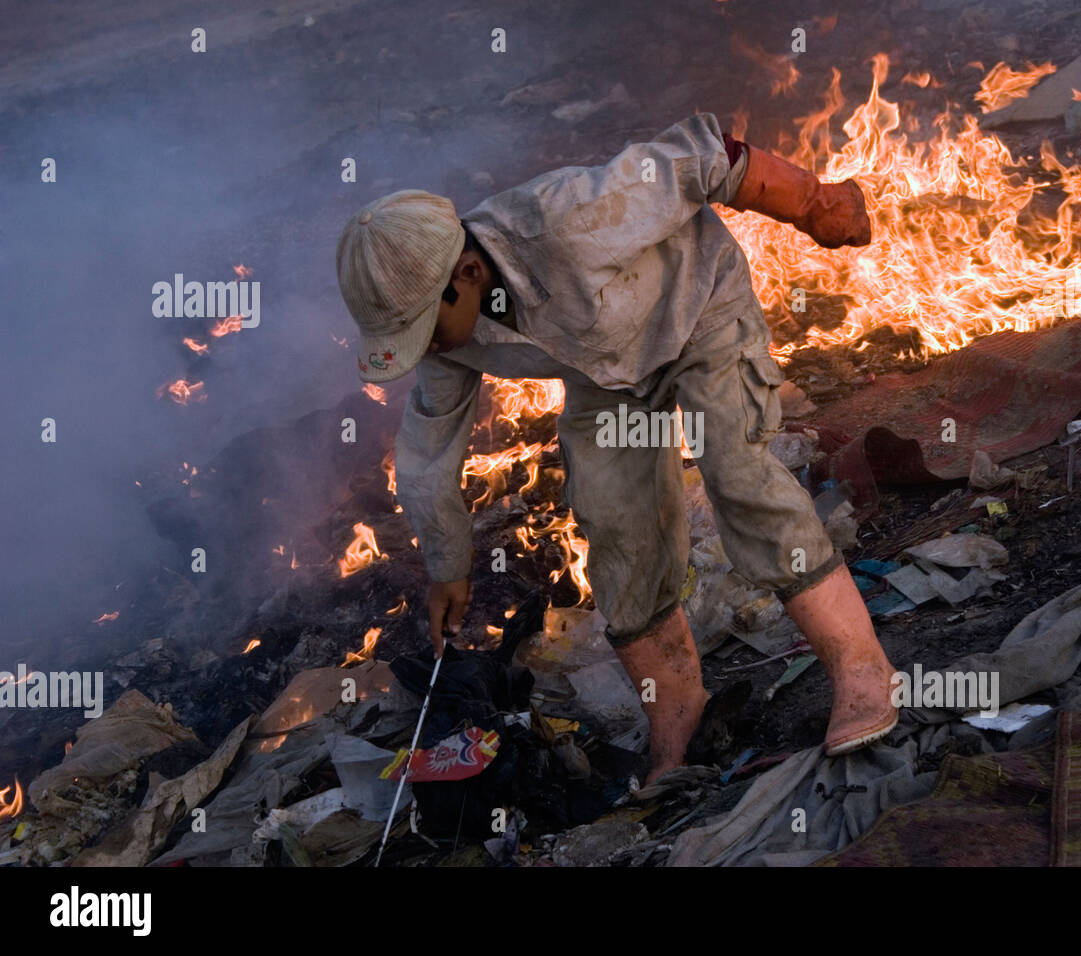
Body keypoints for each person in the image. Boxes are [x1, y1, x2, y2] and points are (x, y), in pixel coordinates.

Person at [335, 113, 897, 784]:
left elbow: (705, 154)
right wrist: (448, 569)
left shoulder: (568, 218)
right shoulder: (446, 337)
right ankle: (678, 711)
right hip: (605, 376)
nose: (425, 347)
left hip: (699, 314)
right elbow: (427, 454)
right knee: (614, 523)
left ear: (470, 268)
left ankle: (862, 667)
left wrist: (817, 204)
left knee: (740, 475)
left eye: (426, 327)